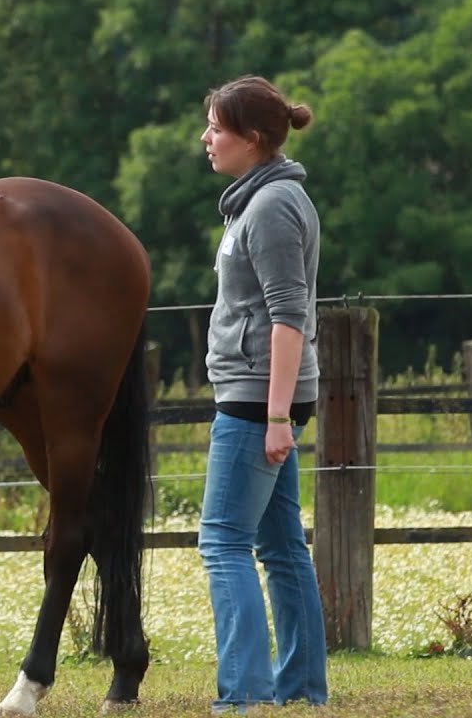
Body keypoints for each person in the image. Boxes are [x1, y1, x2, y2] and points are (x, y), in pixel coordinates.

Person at [197, 75, 328, 713]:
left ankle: (243, 696)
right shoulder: (260, 199)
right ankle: (300, 689)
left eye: (217, 128)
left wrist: (278, 416)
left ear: (252, 139)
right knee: (279, 547)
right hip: (263, 395)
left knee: (222, 543)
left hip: (256, 399)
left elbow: (287, 317)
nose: (207, 139)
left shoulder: (273, 205)